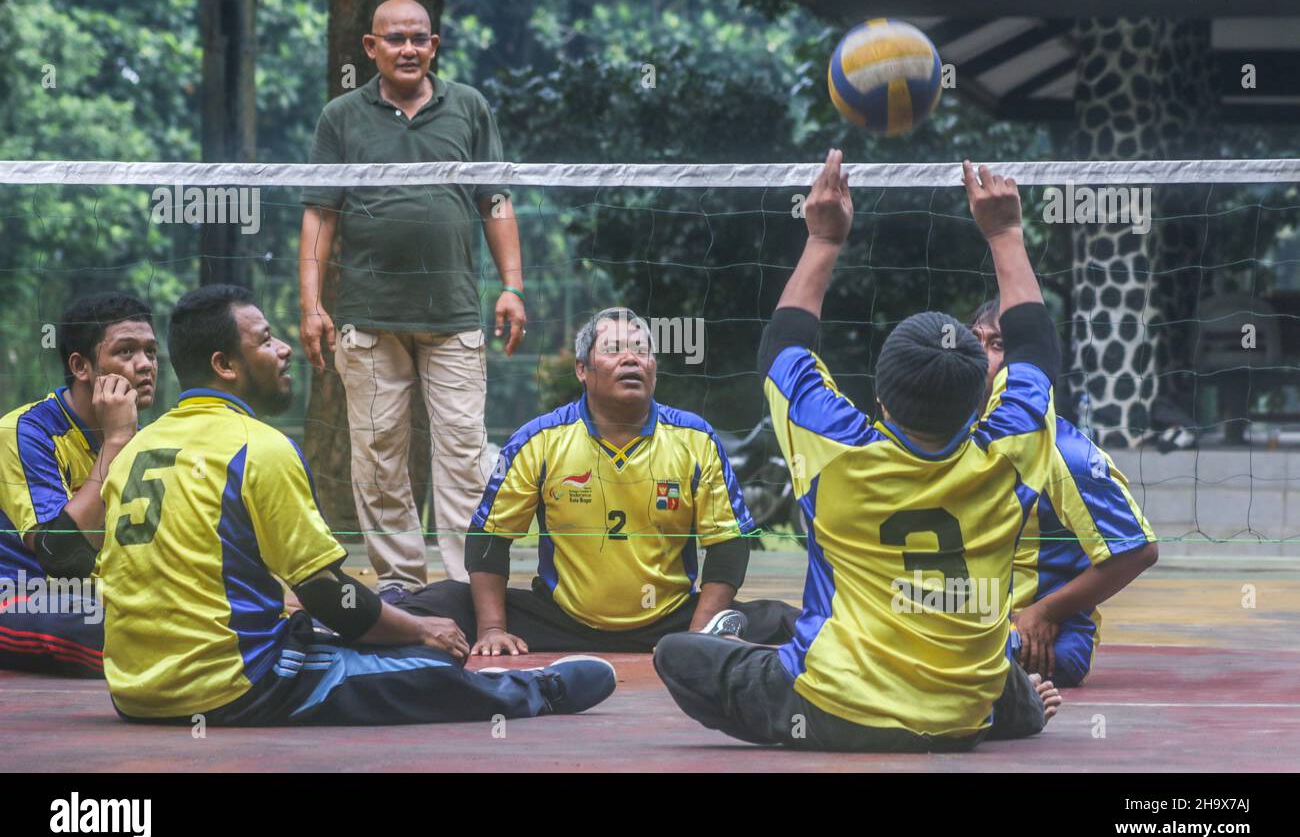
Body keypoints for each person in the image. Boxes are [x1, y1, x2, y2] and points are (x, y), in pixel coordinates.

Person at [655, 152, 1063, 752]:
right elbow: (1036, 351)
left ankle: (785, 663)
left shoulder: (838, 453)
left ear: (880, 398)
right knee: (979, 652)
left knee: (679, 654)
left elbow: (782, 347)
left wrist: (823, 237)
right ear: (984, 398)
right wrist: (1005, 232)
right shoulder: (1009, 451)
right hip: (961, 717)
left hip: (833, 708)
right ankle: (1014, 703)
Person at [97, 285, 614, 726]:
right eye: (264, 340)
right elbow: (326, 595)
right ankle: (535, 691)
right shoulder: (257, 446)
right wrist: (418, 628)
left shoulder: (135, 448)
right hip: (229, 688)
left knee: (353, 636)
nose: (282, 350)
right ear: (224, 365)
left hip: (132, 691)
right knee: (424, 668)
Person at [396, 307, 800, 654]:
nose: (631, 359)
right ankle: (348, 625)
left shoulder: (695, 439)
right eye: (613, 350)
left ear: (654, 370)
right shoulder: (540, 439)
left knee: (784, 619)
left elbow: (730, 546)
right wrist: (493, 630)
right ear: (581, 370)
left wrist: (699, 637)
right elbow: (489, 537)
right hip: (559, 620)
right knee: (440, 600)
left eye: (642, 351)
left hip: (672, 623)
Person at [299, 0, 526, 593]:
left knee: (464, 455)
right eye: (394, 39)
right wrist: (311, 305)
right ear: (371, 47)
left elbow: (495, 199)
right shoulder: (341, 116)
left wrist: (512, 287)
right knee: (377, 455)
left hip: (453, 313)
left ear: (434, 45)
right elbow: (320, 214)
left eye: (418, 39)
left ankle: (463, 586)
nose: (408, 49)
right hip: (368, 317)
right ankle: (399, 581)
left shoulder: (469, 107)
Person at [968, 298, 1158, 686]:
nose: (981, 355)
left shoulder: (1065, 455)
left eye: (998, 345)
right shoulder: (949, 435)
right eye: (974, 341)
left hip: (1043, 631)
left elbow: (1139, 549)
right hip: (965, 610)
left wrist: (1046, 612)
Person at [0, 292, 157, 678]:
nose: (145, 365)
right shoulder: (24, 431)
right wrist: (116, 441)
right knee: (107, 629)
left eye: (151, 352)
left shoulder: (152, 440)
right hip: (28, 596)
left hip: (99, 595)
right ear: (81, 366)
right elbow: (63, 558)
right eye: (126, 352)